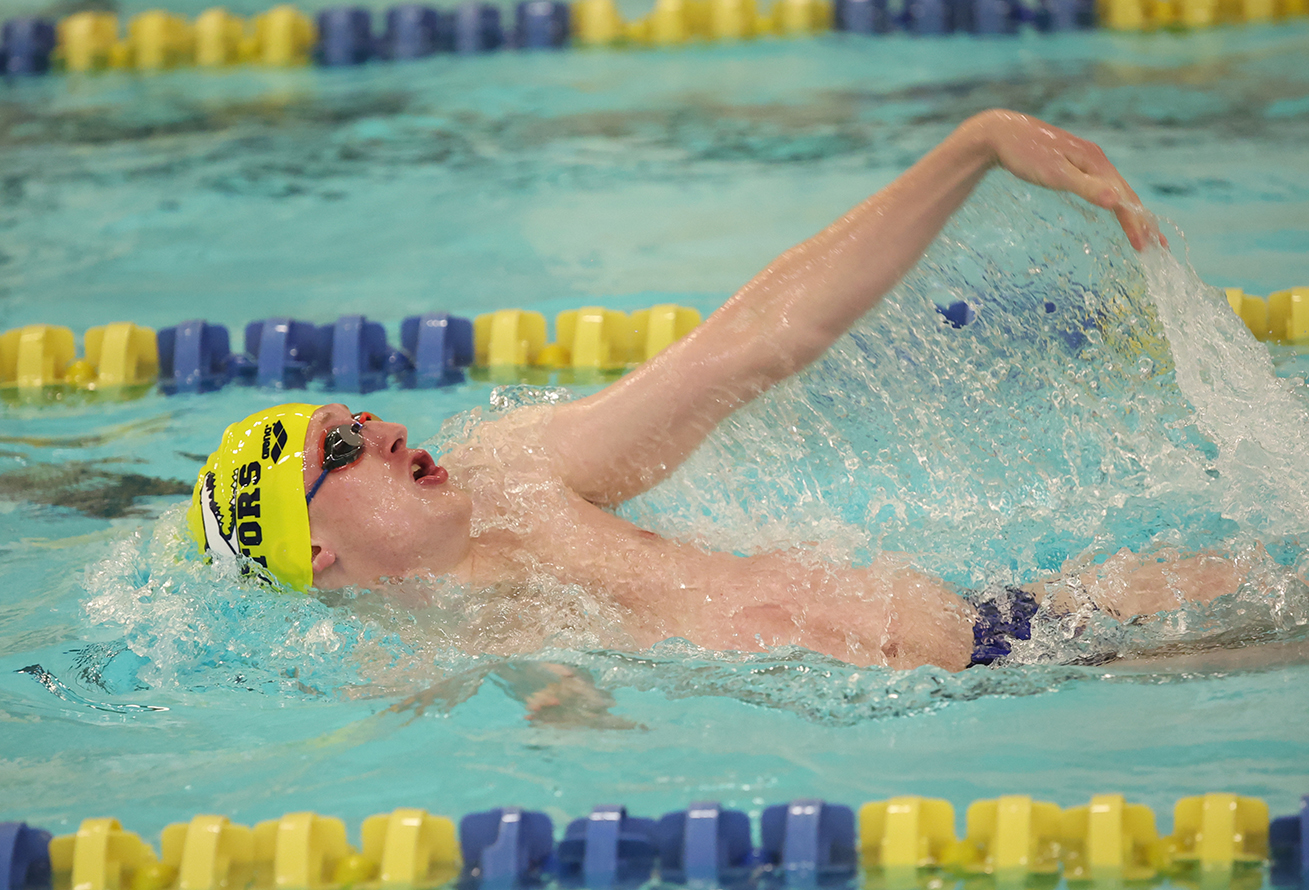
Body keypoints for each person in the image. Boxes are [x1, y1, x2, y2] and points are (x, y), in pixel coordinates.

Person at [188, 109, 1246, 674]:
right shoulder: (412, 662)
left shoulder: (515, 475)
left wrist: (975, 147)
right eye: (342, 450)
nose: (388, 433)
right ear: (310, 552)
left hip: (1021, 630)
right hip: (994, 700)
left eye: (363, 420)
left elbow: (752, 344)